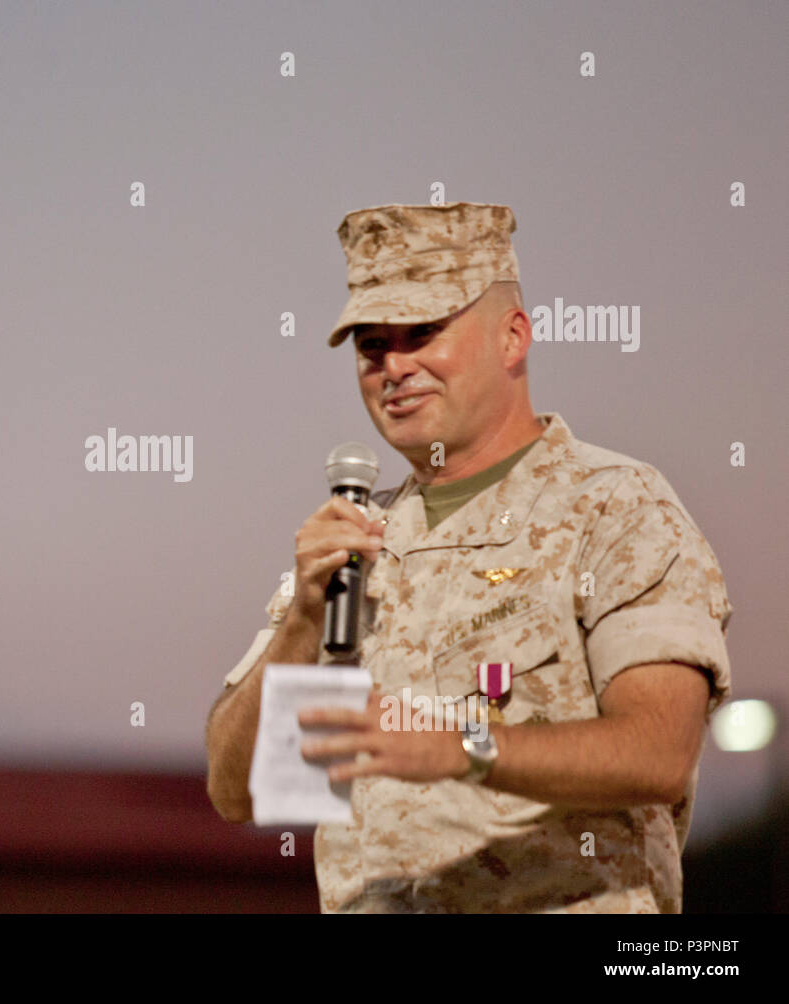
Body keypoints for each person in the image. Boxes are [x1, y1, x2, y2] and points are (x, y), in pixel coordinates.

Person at [204, 202, 733, 913]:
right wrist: (302, 618)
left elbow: (658, 753)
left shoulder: (614, 505)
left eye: (422, 332)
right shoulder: (358, 542)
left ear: (514, 336)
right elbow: (236, 790)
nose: (394, 366)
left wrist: (462, 746)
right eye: (372, 346)